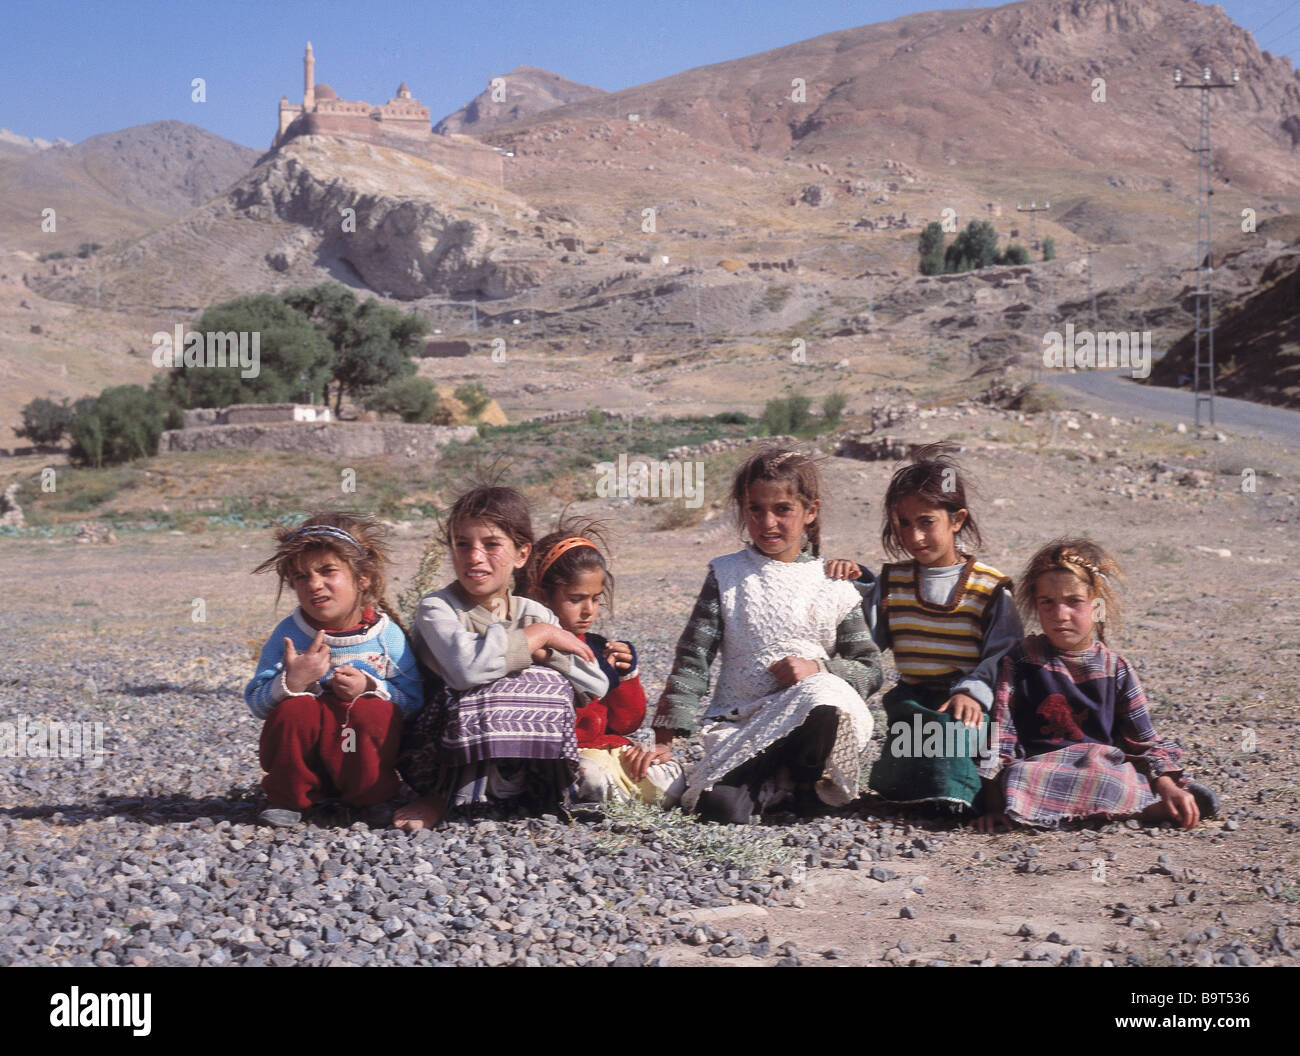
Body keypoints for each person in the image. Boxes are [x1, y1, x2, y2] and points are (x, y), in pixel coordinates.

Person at [638, 447, 882, 824]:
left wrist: (819, 668)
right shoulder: (727, 576)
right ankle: (776, 788)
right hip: (740, 723)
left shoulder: (833, 585)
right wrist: (664, 740)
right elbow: (692, 660)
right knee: (719, 808)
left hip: (807, 730)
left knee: (823, 697)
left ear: (810, 511)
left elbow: (869, 667)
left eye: (783, 509)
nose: (767, 522)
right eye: (755, 509)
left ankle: (802, 783)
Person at [393, 485, 608, 830]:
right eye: (462, 544)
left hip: (516, 756)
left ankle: (539, 791)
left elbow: (595, 683)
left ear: (521, 554)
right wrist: (535, 638)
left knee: (548, 680)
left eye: (491, 544)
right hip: (437, 755)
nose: (474, 556)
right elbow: (465, 670)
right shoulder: (438, 609)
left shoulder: (533, 612)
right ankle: (445, 797)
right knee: (484, 684)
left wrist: (542, 653)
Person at [826, 442, 1020, 811]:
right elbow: (861, 637)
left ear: (957, 520)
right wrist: (849, 582)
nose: (913, 537)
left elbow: (1004, 656)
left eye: (926, 522)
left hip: (966, 705)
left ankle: (958, 795)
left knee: (949, 744)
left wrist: (973, 692)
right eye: (903, 523)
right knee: (903, 773)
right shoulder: (892, 583)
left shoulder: (989, 588)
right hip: (911, 703)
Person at [975, 539, 1219, 831]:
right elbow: (1004, 734)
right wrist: (994, 805)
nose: (1060, 614)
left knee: (1113, 777)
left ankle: (1167, 799)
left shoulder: (1115, 668)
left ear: (1097, 605)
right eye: (1047, 602)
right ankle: (1146, 809)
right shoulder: (1021, 660)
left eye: (1074, 601)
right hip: (1042, 769)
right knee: (1017, 778)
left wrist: (1166, 782)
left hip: (1100, 766)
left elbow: (1142, 741)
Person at [245, 512, 422, 827]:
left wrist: (371, 687)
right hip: (307, 761)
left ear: (362, 577)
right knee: (297, 709)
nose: (314, 585)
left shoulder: (385, 637)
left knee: (372, 711)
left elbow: (415, 701)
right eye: (301, 576)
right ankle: (290, 796)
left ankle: (369, 796)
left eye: (328, 571)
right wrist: (293, 682)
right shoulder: (290, 635)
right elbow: (257, 703)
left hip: (357, 758)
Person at [526, 517, 683, 805]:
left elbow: (626, 724)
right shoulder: (540, 651)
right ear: (543, 596)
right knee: (589, 775)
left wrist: (626, 677)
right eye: (575, 599)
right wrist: (598, 678)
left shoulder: (597, 647)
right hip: (575, 753)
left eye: (596, 599)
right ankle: (600, 793)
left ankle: (610, 793)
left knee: (672, 779)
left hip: (608, 749)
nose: (588, 611)